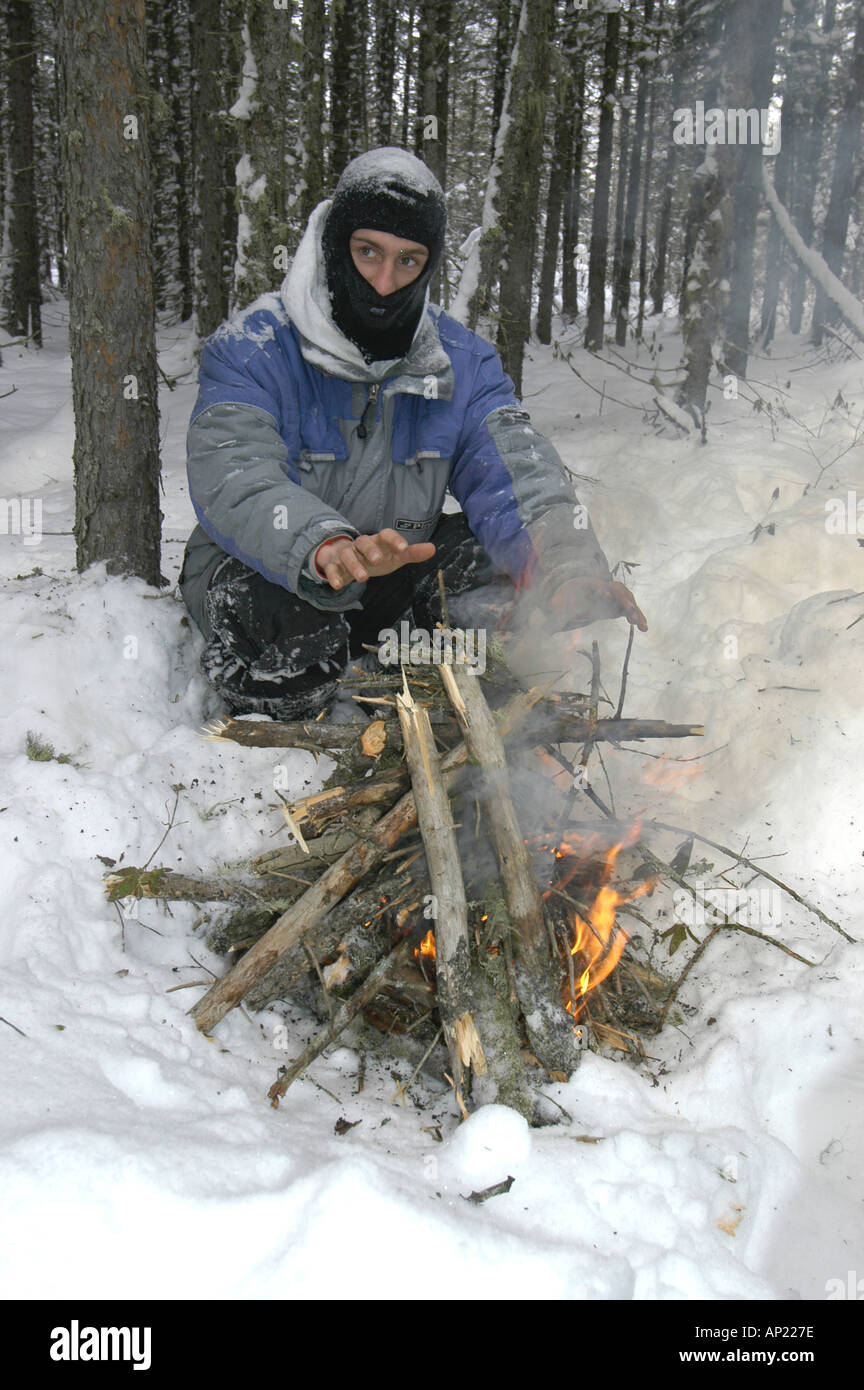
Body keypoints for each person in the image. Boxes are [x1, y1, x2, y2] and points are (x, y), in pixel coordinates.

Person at [179, 147, 646, 719]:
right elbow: (234, 474)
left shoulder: (461, 362)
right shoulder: (253, 347)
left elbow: (517, 474)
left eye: (408, 260)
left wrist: (563, 564)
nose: (382, 282)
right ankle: (315, 730)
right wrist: (325, 546)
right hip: (276, 567)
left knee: (498, 587)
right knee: (290, 652)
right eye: (367, 252)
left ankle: (427, 693)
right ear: (334, 245)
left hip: (395, 571)